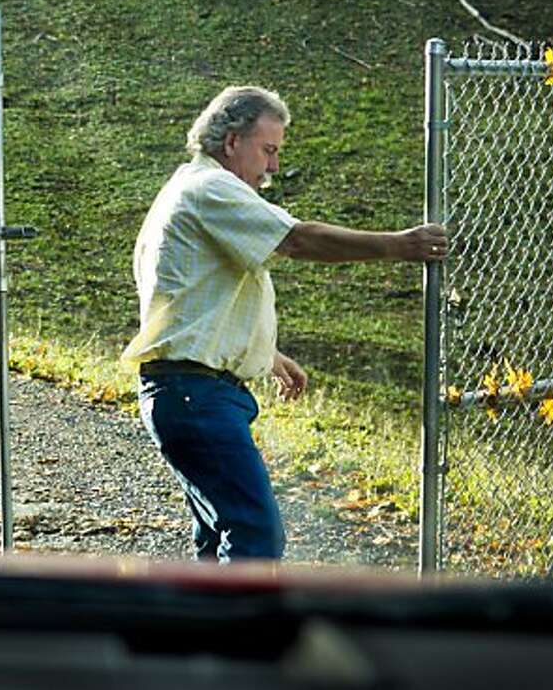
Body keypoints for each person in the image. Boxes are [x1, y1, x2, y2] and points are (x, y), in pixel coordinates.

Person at [123, 85, 448, 563]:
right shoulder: (211, 189)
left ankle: (206, 613)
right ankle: (244, 616)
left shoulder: (187, 187)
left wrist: (265, 353)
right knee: (255, 534)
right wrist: (398, 245)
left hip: (190, 391)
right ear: (232, 141)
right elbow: (297, 240)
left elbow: (194, 293)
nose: (274, 166)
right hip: (195, 395)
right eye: (268, 150)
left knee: (220, 537)